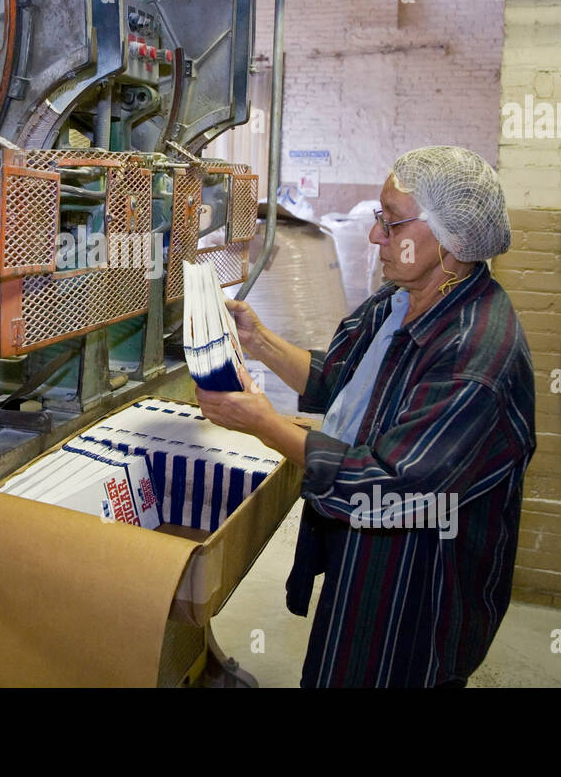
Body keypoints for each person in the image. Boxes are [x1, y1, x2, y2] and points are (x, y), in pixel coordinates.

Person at [195, 145, 536, 687]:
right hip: (365, 555)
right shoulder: (398, 300)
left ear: (451, 238)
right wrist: (258, 341)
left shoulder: (476, 356)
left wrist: (263, 423)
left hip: (420, 581)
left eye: (390, 220)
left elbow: (389, 483)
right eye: (379, 218)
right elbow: (338, 381)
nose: (376, 235)